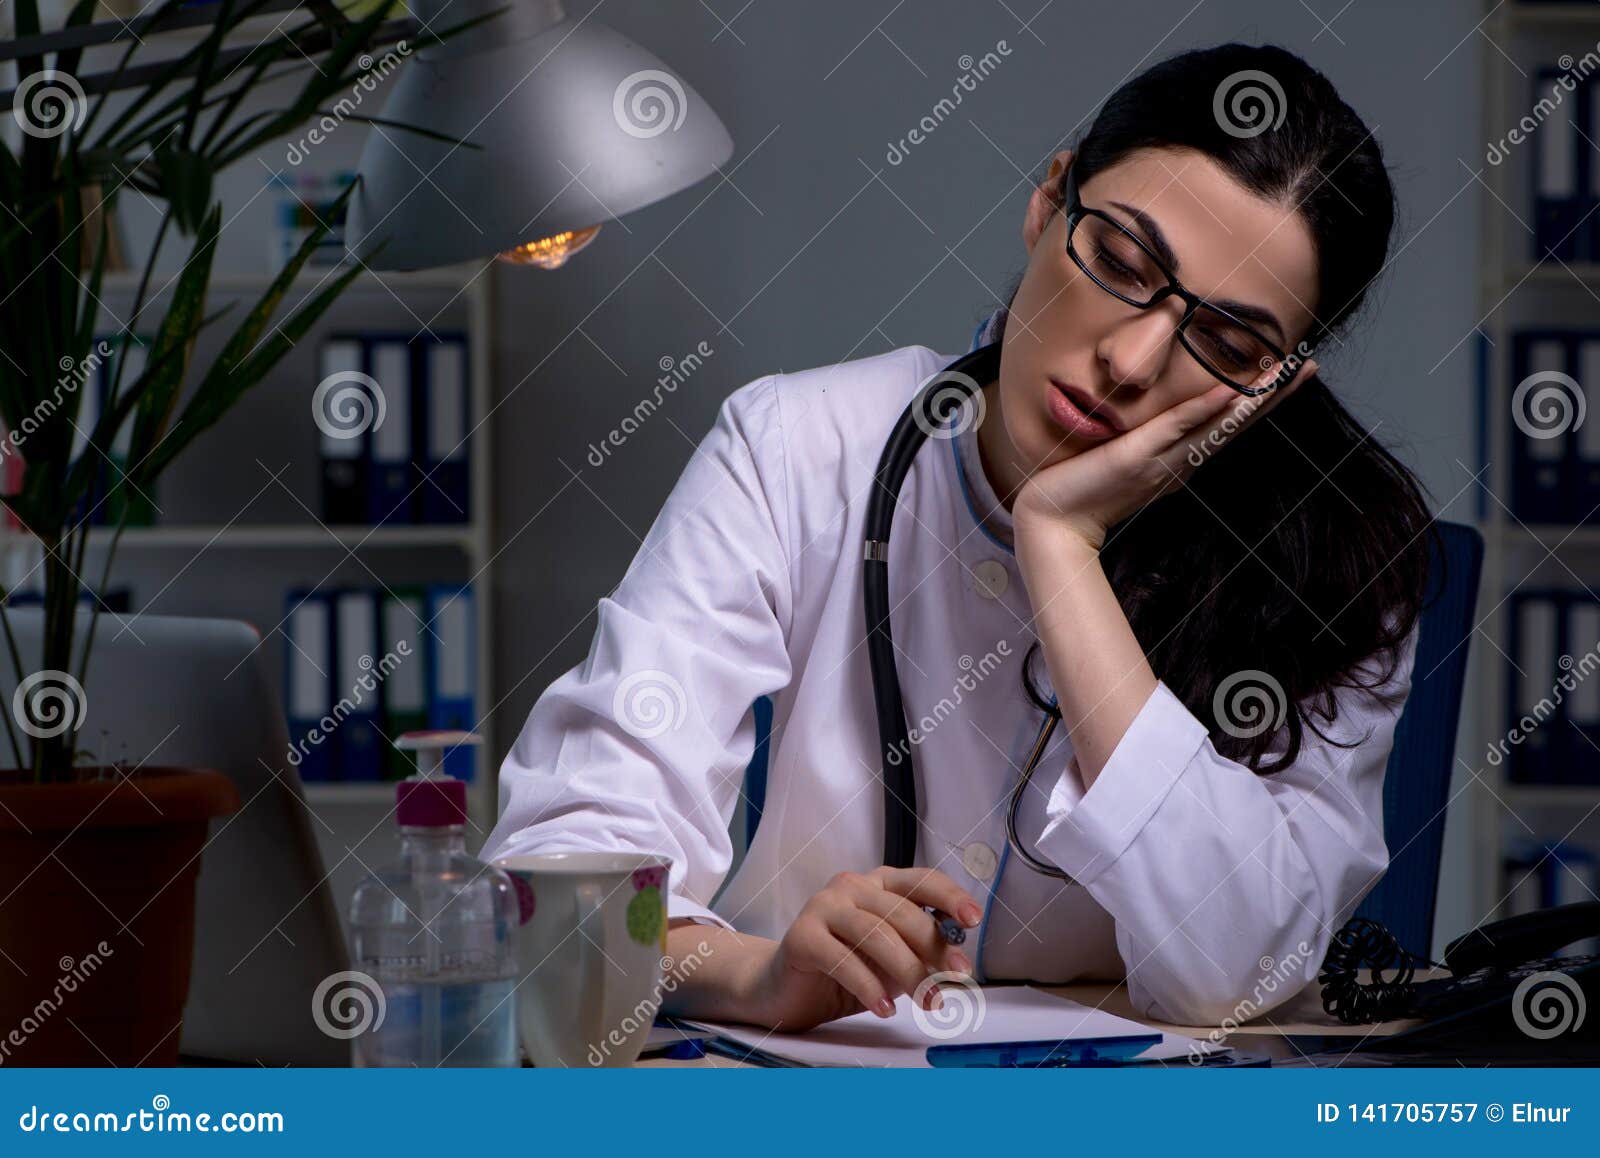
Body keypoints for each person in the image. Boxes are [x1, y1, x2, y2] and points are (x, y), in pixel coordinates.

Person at [480, 41, 1436, 1031]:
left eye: (1228, 345)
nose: (1132, 358)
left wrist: (1058, 546)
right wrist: (752, 977)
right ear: (1048, 199)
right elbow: (564, 886)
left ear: (1278, 387)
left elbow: (1237, 969)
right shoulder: (794, 450)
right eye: (1118, 262)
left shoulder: (1345, 559)